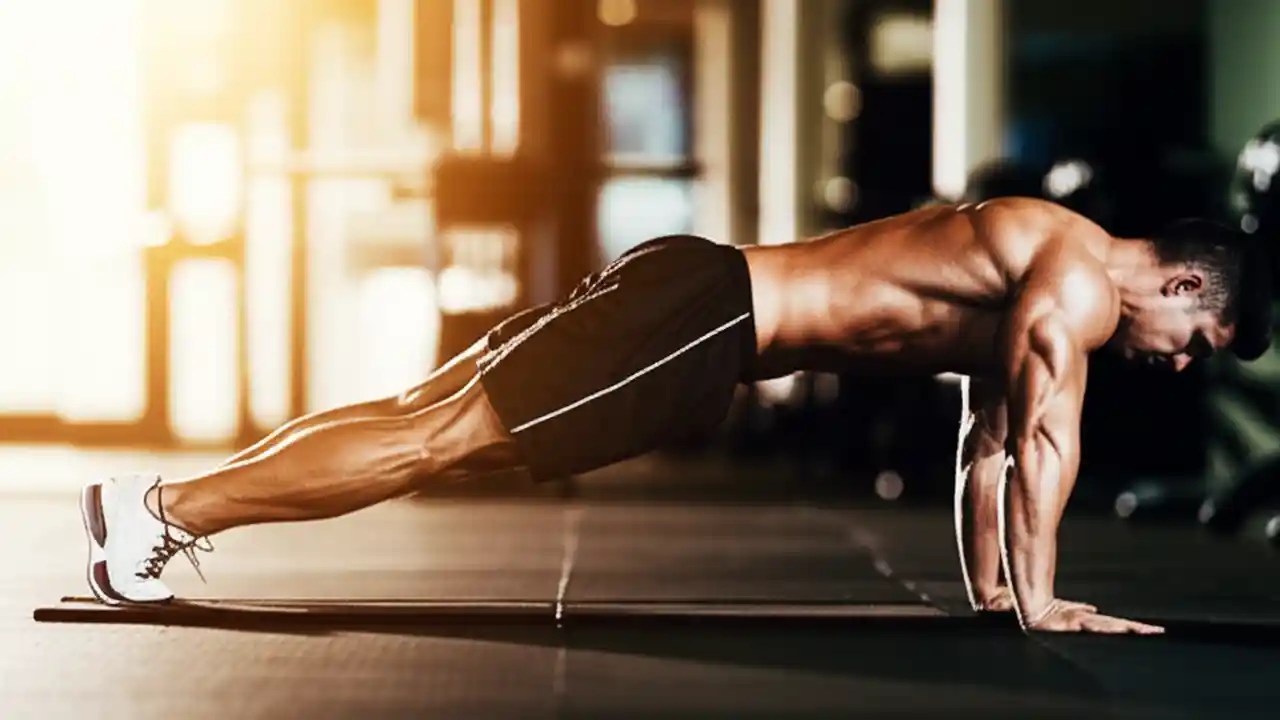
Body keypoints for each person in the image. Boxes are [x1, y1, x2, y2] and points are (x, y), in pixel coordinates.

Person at [80, 197, 1271, 634]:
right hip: (708, 319)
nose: (1177, 366)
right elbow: (1046, 438)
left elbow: (991, 441)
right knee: (432, 441)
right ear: (1179, 284)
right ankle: (162, 511)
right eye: (1195, 343)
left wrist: (1000, 593)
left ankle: (154, 505)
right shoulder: (1074, 281)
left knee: (420, 415)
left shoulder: (1041, 261)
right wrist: (1047, 603)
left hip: (695, 290)